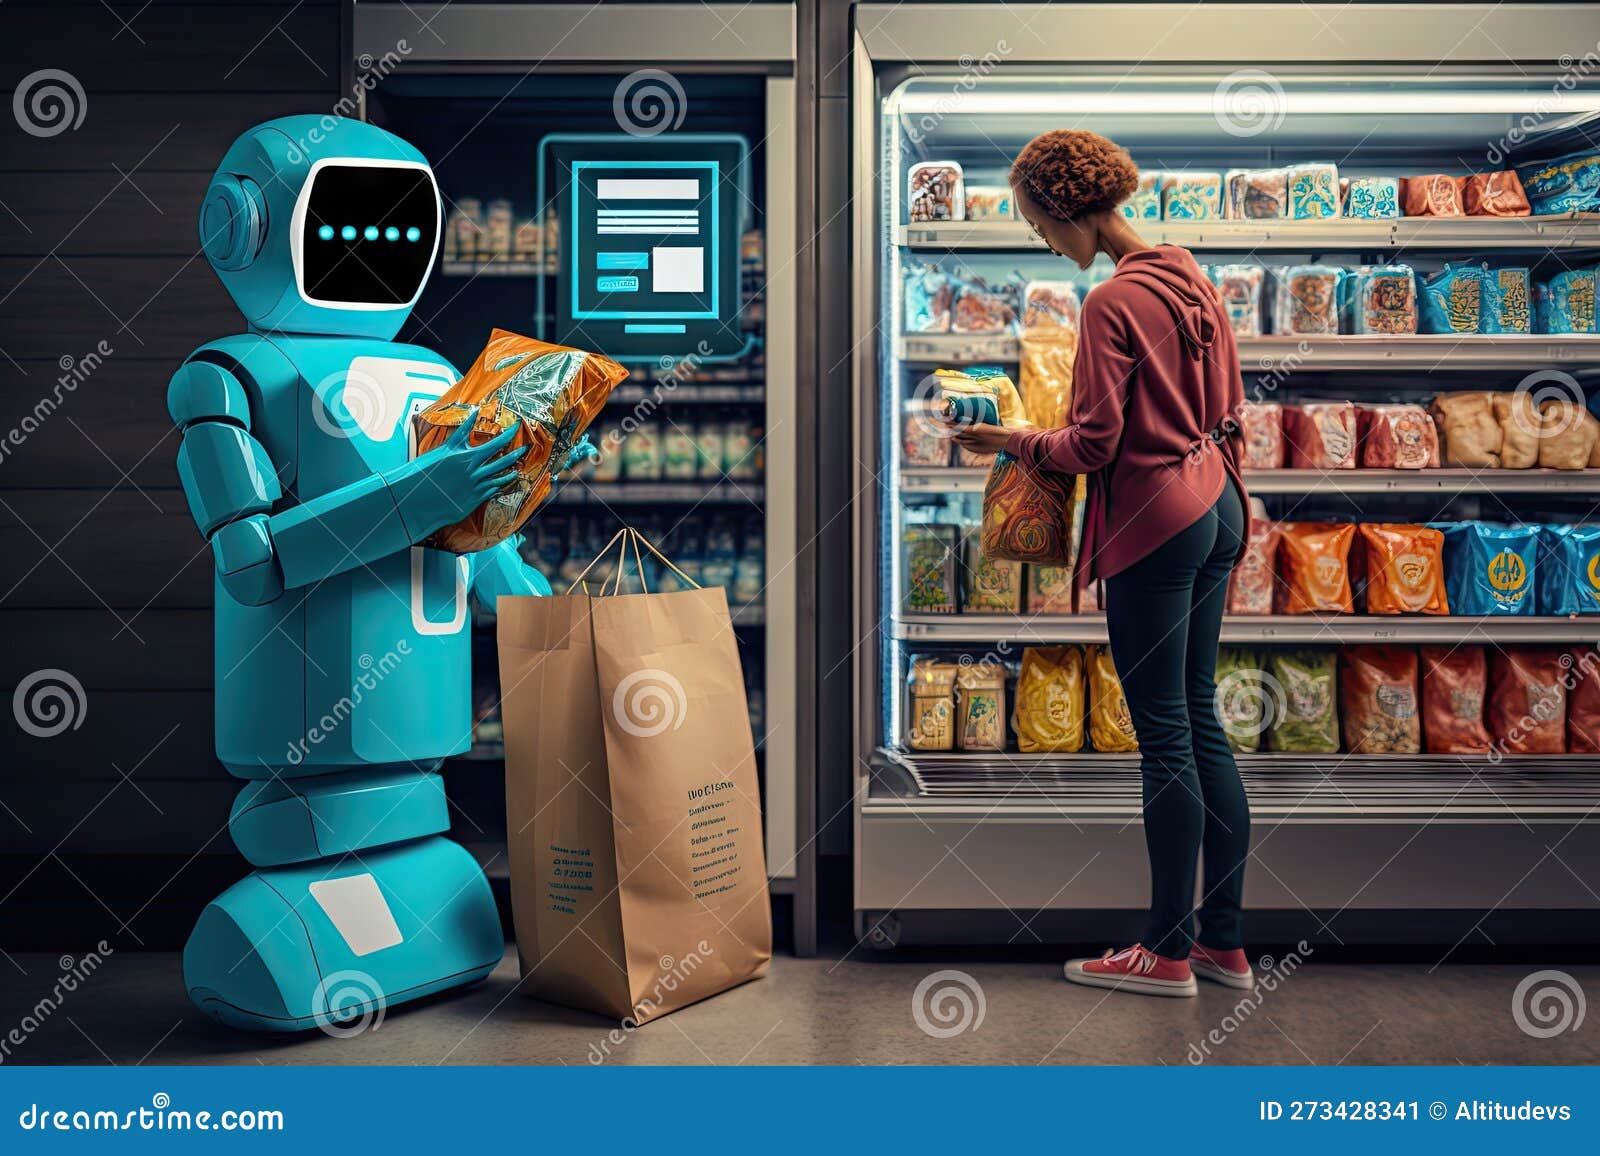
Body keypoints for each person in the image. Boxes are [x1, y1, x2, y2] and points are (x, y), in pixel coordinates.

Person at [952, 130, 1254, 998]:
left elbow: (1091, 445)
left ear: (1066, 208)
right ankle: (1222, 945)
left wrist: (1009, 440)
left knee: (1163, 736)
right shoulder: (1187, 271)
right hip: (1219, 500)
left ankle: (1164, 952)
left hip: (1157, 520)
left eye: (1039, 224)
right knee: (1199, 720)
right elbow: (1223, 404)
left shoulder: (1111, 303)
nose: (1044, 242)